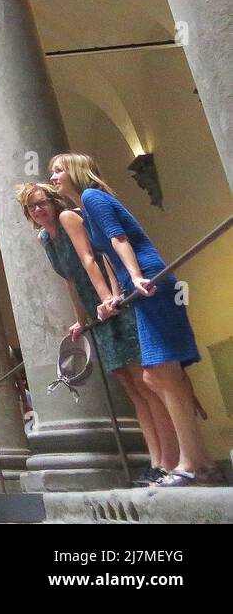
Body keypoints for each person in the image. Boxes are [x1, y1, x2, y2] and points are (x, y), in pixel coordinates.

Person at [50, 153, 221, 487]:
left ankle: (193, 464)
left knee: (161, 372)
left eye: (58, 170)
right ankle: (200, 461)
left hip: (149, 280)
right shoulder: (86, 206)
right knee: (155, 377)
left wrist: (137, 276)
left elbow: (119, 238)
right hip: (139, 284)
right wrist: (113, 295)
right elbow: (108, 254)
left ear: (75, 171)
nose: (53, 177)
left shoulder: (91, 197)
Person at [17, 180, 176, 486]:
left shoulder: (68, 218)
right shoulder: (44, 239)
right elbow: (70, 281)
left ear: (53, 202)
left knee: (147, 383)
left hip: (114, 304)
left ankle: (169, 461)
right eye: (31, 206)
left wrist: (109, 295)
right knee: (133, 390)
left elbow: (96, 256)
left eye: (42, 203)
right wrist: (81, 319)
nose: (38, 210)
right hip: (98, 311)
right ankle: (156, 462)